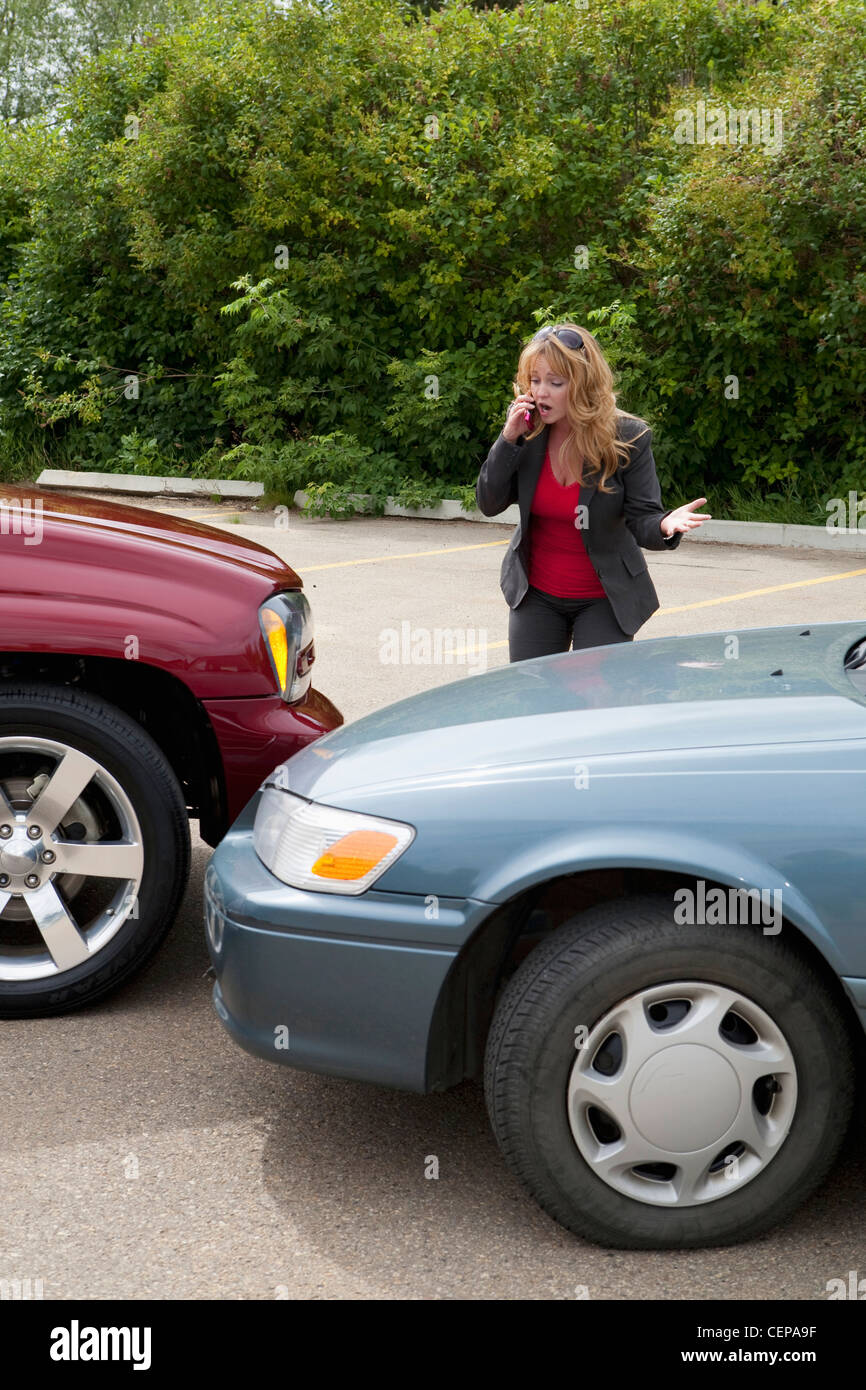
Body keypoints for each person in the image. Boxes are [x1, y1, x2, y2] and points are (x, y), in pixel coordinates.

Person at [475, 323, 711, 662]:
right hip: (536, 595)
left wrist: (663, 526)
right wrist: (507, 440)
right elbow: (489, 502)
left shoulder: (627, 437)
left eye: (555, 383)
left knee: (596, 703)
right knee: (533, 701)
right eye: (535, 381)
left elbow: (643, 517)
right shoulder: (527, 433)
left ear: (584, 384)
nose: (541, 392)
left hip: (604, 597)